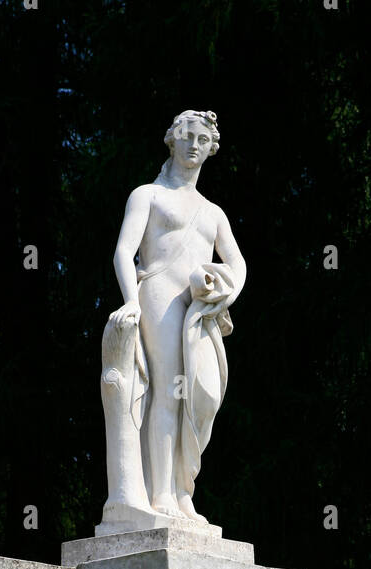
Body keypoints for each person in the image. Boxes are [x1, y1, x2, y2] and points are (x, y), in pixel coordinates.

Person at [109, 110, 246, 524]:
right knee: (169, 392)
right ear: (171, 140)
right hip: (159, 294)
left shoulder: (213, 212)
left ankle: (184, 491)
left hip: (199, 308)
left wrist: (224, 292)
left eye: (202, 140)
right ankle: (163, 494)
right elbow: (123, 251)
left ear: (210, 149)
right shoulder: (147, 195)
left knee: (200, 397)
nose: (193, 145)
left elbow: (238, 264)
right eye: (186, 137)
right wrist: (130, 299)